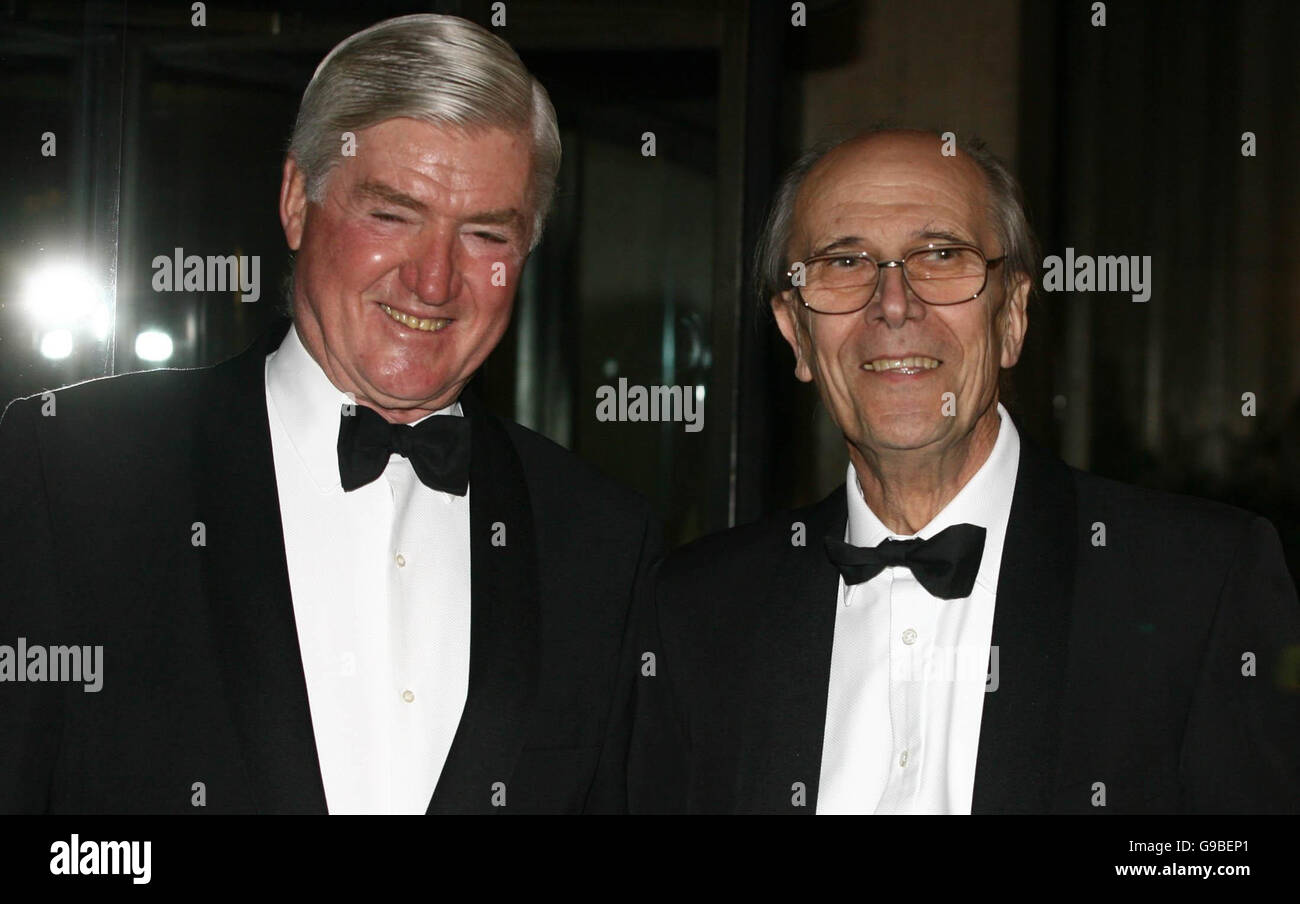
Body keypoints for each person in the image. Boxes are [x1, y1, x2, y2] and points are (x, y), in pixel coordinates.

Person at [0, 14, 659, 815]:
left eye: (486, 234)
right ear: (296, 201)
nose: (433, 281)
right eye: (391, 215)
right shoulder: (70, 466)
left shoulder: (600, 540)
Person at [630, 128, 1300, 814]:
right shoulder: (697, 611)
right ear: (796, 333)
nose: (893, 305)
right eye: (844, 262)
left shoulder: (1198, 583)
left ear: (1011, 315)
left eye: (942, 255)